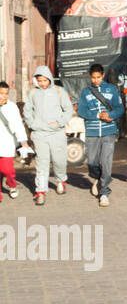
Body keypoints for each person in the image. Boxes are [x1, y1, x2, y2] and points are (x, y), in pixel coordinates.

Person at [22, 66, 72, 205]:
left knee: (59, 161)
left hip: (57, 133)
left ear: (49, 78)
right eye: (40, 80)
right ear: (36, 80)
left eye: (45, 80)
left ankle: (61, 180)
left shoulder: (59, 91)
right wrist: (32, 124)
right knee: (42, 164)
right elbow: (27, 112)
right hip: (39, 135)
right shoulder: (32, 93)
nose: (43, 83)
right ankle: (41, 191)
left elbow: (68, 110)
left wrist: (60, 122)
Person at [77, 63, 124, 207]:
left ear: (103, 76)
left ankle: (104, 192)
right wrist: (98, 115)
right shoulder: (86, 92)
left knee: (106, 162)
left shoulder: (112, 89)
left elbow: (120, 108)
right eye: (93, 78)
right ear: (90, 77)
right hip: (91, 131)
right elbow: (81, 111)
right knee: (91, 162)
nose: (96, 80)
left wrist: (111, 115)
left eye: (98, 77)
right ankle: (97, 177)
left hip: (108, 131)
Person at [0, 81, 32, 199]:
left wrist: (23, 141)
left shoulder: (12, 107)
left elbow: (18, 125)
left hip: (6, 144)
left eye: (6, 93)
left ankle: (12, 184)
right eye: (1, 93)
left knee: (7, 170)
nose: (4, 96)